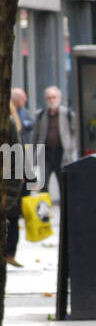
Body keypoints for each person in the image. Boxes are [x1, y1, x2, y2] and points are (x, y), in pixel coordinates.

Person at [34, 85, 77, 200]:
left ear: (59, 98)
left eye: (53, 97)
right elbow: (35, 136)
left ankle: (64, 216)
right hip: (45, 153)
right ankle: (44, 214)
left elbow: (74, 134)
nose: (51, 100)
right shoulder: (40, 115)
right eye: (48, 98)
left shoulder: (67, 114)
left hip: (61, 153)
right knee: (43, 185)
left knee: (64, 185)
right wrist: (32, 157)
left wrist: (70, 149)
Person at [4, 97, 26, 265]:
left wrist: (10, 197)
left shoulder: (9, 123)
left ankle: (9, 253)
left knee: (12, 219)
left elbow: (17, 159)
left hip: (8, 184)